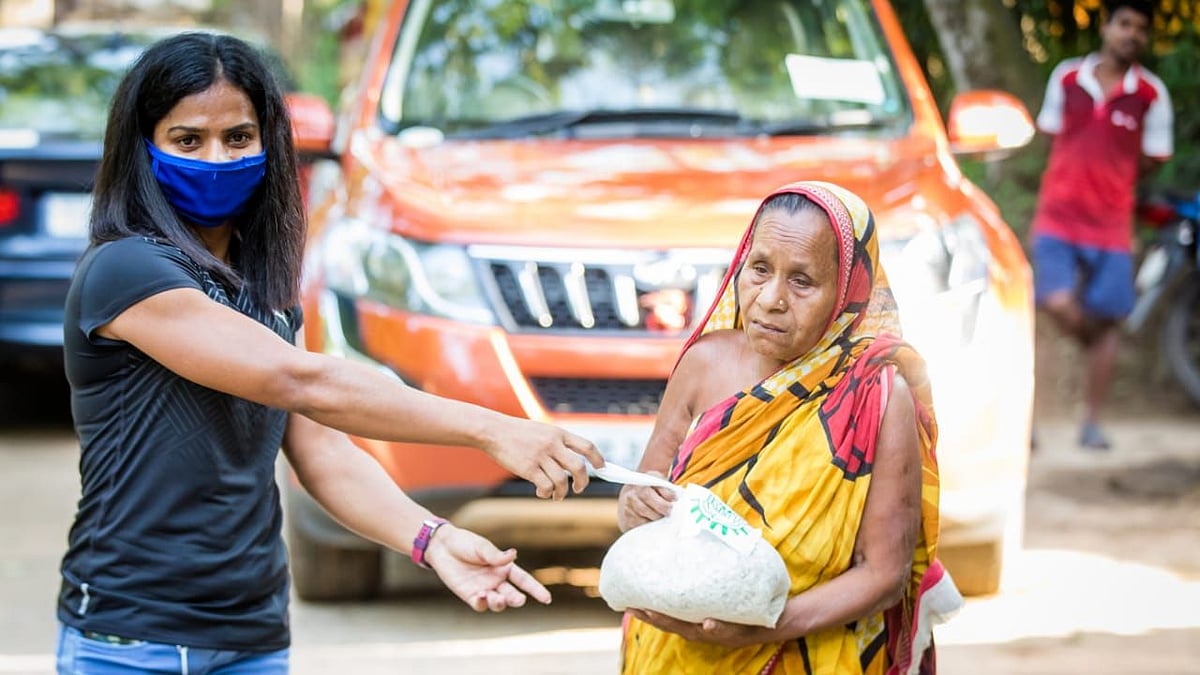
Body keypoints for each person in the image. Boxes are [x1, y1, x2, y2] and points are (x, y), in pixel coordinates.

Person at [55, 31, 604, 673]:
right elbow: (303, 381)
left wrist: (432, 539)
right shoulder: (127, 271)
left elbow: (322, 449)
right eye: (187, 140)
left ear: (269, 144)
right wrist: (491, 430)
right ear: (144, 149)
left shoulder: (260, 284)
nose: (216, 157)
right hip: (133, 643)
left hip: (252, 637)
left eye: (238, 137)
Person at [616, 181, 962, 674]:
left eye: (802, 281)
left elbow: (884, 574)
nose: (771, 298)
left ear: (847, 292)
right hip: (675, 652)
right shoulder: (703, 363)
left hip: (808, 653)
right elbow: (642, 508)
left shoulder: (876, 395)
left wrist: (764, 625)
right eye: (759, 269)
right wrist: (633, 505)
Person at [1029, 0, 1173, 450]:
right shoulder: (1067, 78)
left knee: (1109, 321)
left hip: (1111, 225)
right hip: (1056, 217)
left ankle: (1089, 424)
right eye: (1124, 24)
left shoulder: (1151, 94)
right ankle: (1031, 417)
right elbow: (1052, 133)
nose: (1132, 34)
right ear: (1106, 27)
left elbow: (1152, 157)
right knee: (1052, 302)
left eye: (1140, 29)